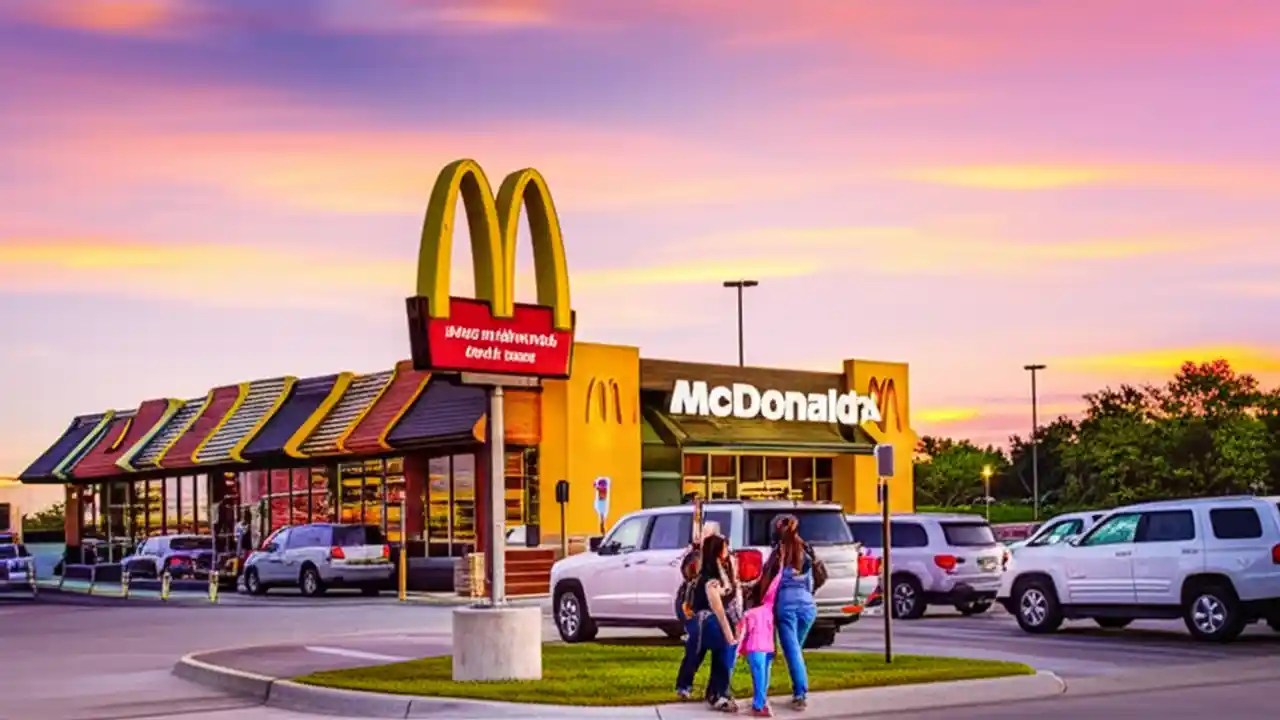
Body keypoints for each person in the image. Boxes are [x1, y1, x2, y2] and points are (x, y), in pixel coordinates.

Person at [762, 515, 819, 710]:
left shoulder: (779, 554)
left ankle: (800, 694)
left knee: (793, 651)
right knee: (795, 650)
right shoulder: (806, 551)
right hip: (808, 605)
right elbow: (813, 581)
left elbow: (767, 582)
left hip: (786, 606)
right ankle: (798, 688)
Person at [688, 534, 740, 712]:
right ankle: (719, 694)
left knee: (721, 655)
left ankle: (716, 691)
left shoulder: (720, 569)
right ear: (718, 551)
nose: (729, 550)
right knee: (723, 653)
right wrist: (729, 634)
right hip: (712, 620)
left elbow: (731, 589)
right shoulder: (711, 578)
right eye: (725, 547)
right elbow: (718, 610)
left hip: (716, 619)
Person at [737, 570, 782, 717]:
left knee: (759, 676)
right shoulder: (769, 610)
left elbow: (741, 634)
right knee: (764, 676)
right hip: (767, 647)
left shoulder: (749, 614)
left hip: (755, 648)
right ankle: (759, 703)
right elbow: (774, 589)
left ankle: (759, 703)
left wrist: (737, 651)